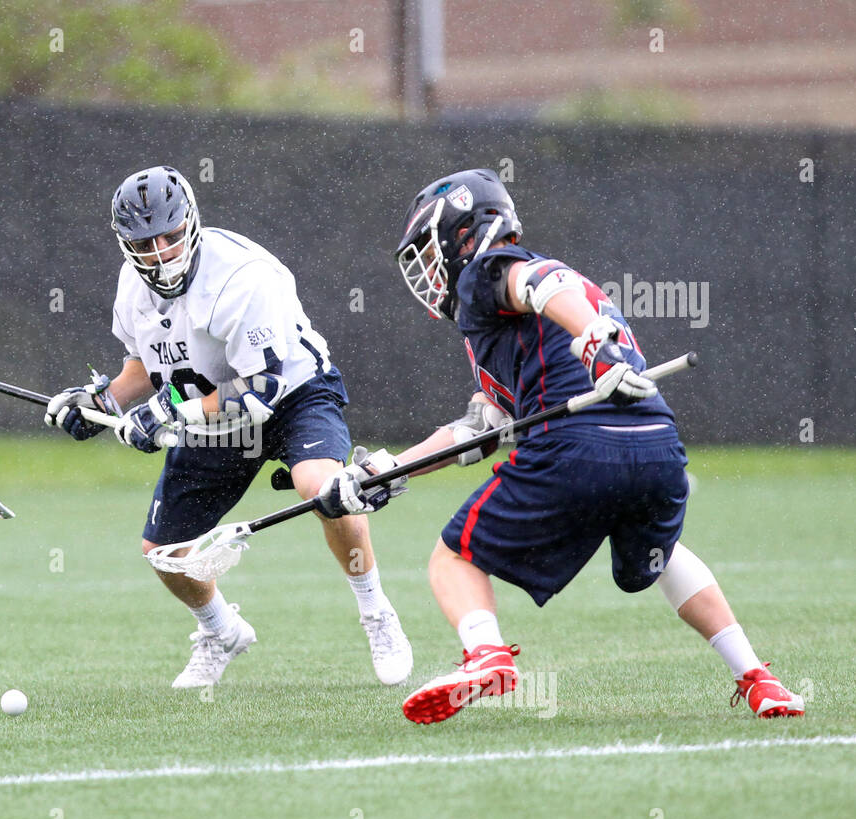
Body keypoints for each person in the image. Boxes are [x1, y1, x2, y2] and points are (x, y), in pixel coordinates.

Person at [317, 168, 804, 724]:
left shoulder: (488, 274)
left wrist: (596, 347)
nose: (430, 275)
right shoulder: (509, 329)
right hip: (656, 448)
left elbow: (541, 282)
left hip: (577, 447)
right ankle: (757, 677)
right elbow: (482, 429)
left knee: (453, 557)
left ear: (464, 235)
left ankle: (487, 655)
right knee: (665, 557)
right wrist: (386, 472)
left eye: (431, 256)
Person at [45, 165, 413, 688]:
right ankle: (221, 631)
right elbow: (146, 368)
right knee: (165, 554)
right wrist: (98, 400)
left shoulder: (243, 277)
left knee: (328, 490)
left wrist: (168, 413)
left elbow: (259, 392)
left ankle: (376, 613)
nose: (160, 252)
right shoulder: (132, 289)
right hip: (210, 409)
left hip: (292, 392)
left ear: (191, 223)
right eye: (144, 242)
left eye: (170, 236)